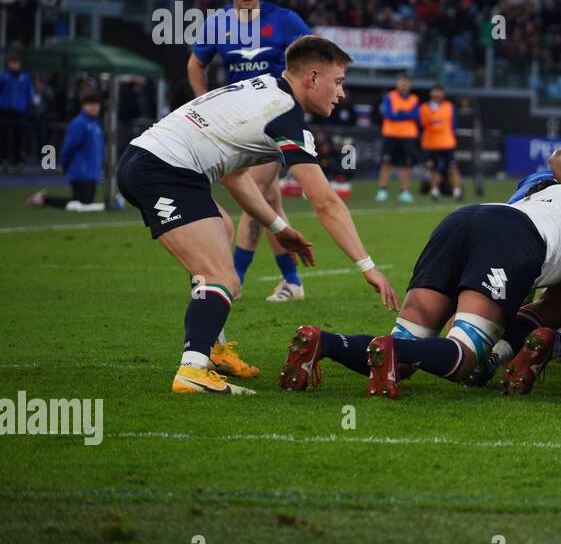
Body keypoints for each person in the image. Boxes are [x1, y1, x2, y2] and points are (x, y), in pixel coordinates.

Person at [117, 35, 399, 395]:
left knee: (222, 225)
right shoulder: (286, 118)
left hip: (152, 162)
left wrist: (278, 227)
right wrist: (367, 266)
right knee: (223, 277)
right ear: (312, 78)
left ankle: (214, 349)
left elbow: (234, 176)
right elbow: (326, 202)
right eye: (338, 82)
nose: (342, 94)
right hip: (164, 171)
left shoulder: (263, 87)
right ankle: (193, 370)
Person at [278, 167, 561, 397]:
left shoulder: (550, 196)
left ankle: (323, 342)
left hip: (462, 220)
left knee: (413, 351)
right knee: (463, 354)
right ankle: (392, 347)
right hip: (511, 237)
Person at [187, 0, 314, 302]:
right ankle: (292, 282)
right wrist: (204, 103)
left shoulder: (285, 21)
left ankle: (233, 279)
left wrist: (301, 99)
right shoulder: (217, 24)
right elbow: (196, 64)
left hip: (275, 120)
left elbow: (316, 55)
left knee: (253, 195)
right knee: (269, 200)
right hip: (235, 122)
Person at [25, 92, 106, 211]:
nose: (95, 107)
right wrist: (64, 163)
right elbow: (69, 146)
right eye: (92, 104)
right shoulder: (78, 123)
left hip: (92, 171)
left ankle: (43, 199)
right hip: (81, 171)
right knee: (82, 204)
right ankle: (44, 199)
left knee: (85, 203)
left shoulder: (95, 124)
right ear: (84, 106)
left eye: (97, 104)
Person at [377, 74, 421, 202]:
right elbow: (389, 114)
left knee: (406, 164)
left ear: (410, 85)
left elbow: (415, 115)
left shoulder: (414, 98)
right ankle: (382, 190)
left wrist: (400, 113)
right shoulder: (389, 96)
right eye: (402, 82)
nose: (404, 85)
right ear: (397, 83)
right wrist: (405, 114)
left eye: (407, 83)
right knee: (386, 162)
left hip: (407, 136)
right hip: (390, 135)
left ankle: (404, 191)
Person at [419, 84, 462, 200]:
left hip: (447, 143)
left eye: (440, 92)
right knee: (433, 168)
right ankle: (434, 191)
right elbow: (422, 125)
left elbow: (454, 125)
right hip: (430, 143)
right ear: (431, 93)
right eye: (435, 91)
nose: (437, 94)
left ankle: (457, 191)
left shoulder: (449, 106)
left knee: (452, 167)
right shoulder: (424, 108)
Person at [0, 52, 35, 170]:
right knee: (4, 137)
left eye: (16, 63)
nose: (14, 65)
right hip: (5, 111)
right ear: (9, 64)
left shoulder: (25, 77)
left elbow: (30, 94)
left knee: (19, 137)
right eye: (12, 63)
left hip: (21, 111)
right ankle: (4, 160)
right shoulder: (4, 77)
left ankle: (18, 161)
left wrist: (29, 108)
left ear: (20, 64)